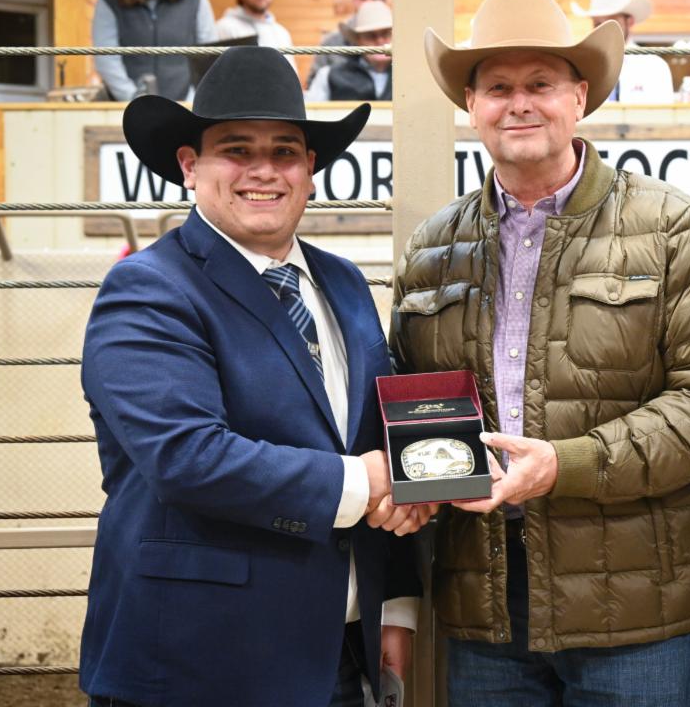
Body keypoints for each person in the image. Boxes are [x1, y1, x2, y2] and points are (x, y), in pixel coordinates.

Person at [393, 0, 690, 705]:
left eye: (540, 84)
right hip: (485, 607)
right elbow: (409, 393)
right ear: (472, 107)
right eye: (497, 87)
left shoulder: (674, 229)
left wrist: (565, 465)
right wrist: (409, 485)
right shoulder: (433, 247)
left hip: (640, 614)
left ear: (580, 96)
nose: (518, 103)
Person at [79, 46, 436, 707]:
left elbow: (379, 434)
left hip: (341, 652)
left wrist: (399, 601)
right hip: (199, 665)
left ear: (311, 169)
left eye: (285, 151)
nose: (263, 171)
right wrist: (366, 481)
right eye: (236, 149)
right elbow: (187, 457)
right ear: (190, 166)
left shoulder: (344, 284)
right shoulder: (147, 291)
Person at [572, 0, 674, 103]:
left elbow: (665, 118)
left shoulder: (654, 68)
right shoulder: (583, 69)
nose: (604, 30)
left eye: (612, 23)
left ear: (630, 22)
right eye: (598, 24)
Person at [305, 0, 393, 101]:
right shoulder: (328, 75)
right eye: (370, 35)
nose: (379, 40)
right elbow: (312, 112)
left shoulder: (411, 75)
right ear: (358, 40)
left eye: (386, 33)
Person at [308, 0, 387, 86]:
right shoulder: (331, 42)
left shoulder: (396, 38)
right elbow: (315, 82)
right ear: (355, 0)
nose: (369, 1)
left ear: (384, 1)